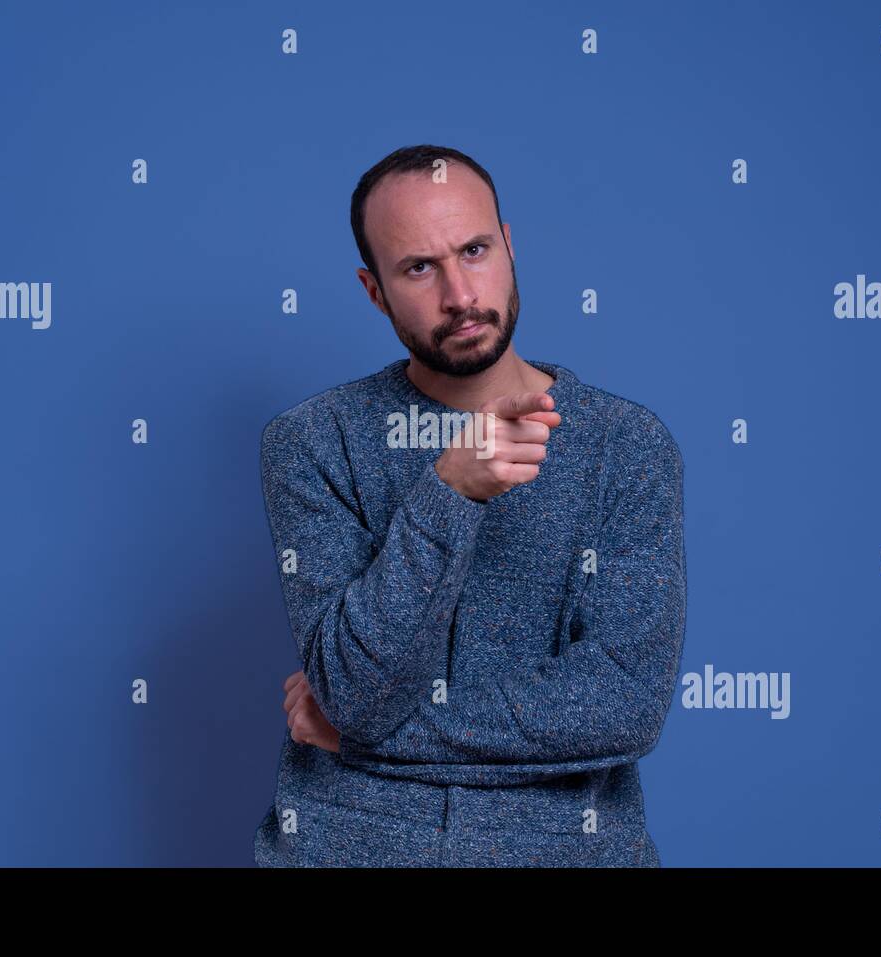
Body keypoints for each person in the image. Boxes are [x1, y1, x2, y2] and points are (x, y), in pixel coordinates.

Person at [253, 144, 686, 866]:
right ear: (374, 290)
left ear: (510, 246)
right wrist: (449, 492)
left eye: (475, 250)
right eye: (419, 268)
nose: (460, 294)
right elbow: (357, 690)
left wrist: (362, 735)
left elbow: (623, 703)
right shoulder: (311, 443)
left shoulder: (626, 445)